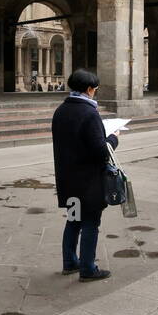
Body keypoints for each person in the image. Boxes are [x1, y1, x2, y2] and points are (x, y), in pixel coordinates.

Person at [51, 67, 116, 282]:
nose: (95, 93)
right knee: (90, 224)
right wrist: (114, 138)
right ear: (89, 89)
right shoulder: (89, 113)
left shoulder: (61, 111)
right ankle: (88, 268)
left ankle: (70, 263)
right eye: (95, 89)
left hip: (67, 180)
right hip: (88, 183)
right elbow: (101, 152)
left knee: (73, 221)